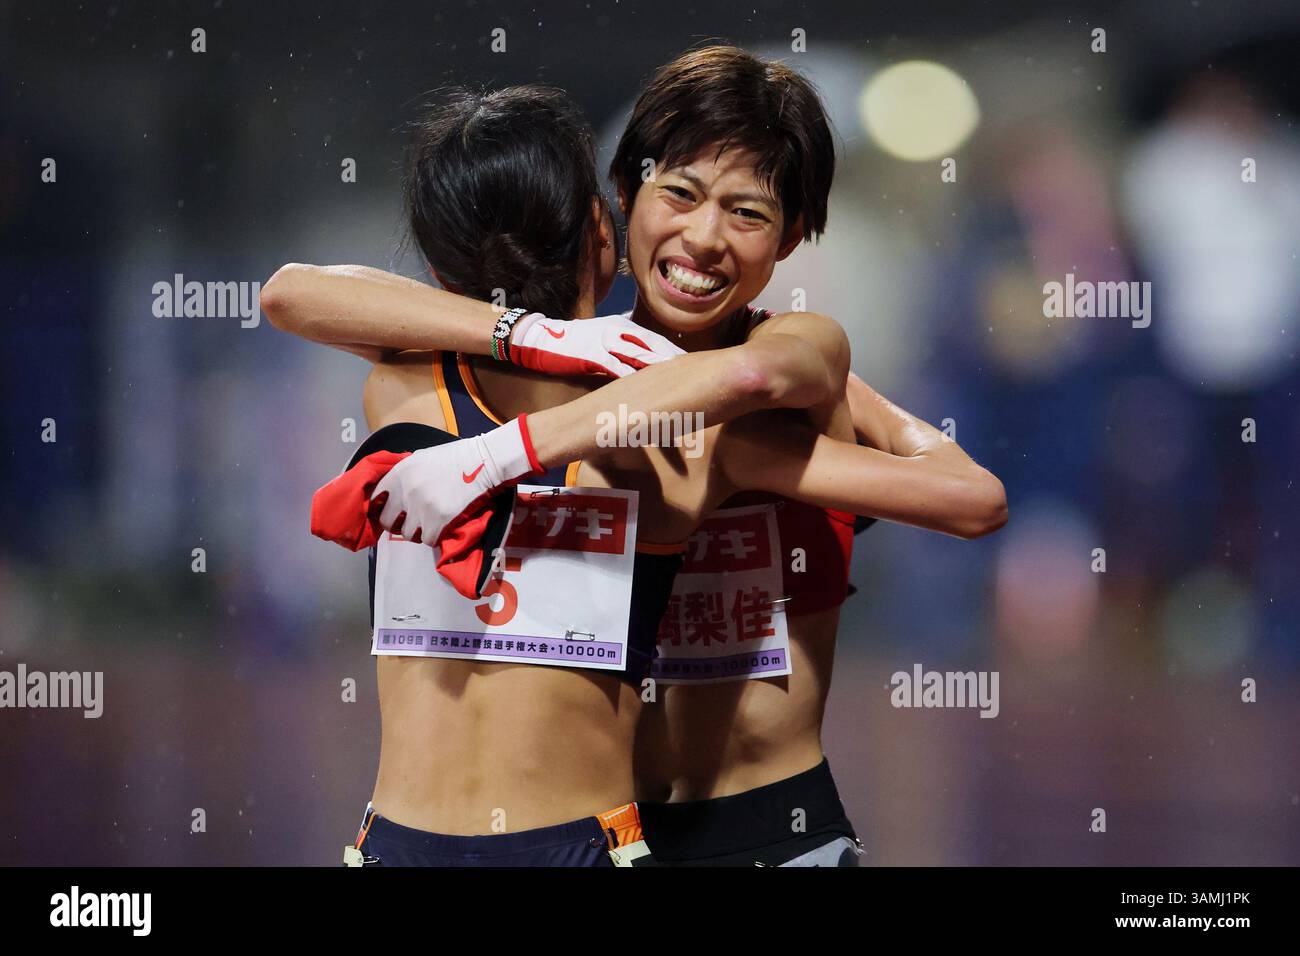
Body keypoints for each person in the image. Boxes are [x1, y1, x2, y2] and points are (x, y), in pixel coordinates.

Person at [266, 49, 1006, 867]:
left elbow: (952, 486)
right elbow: (290, 293)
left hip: (763, 826)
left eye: (747, 213)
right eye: (679, 195)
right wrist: (531, 332)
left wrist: (493, 458)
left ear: (791, 235)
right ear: (619, 205)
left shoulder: (790, 363)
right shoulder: (546, 360)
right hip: (615, 823)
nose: (704, 238)